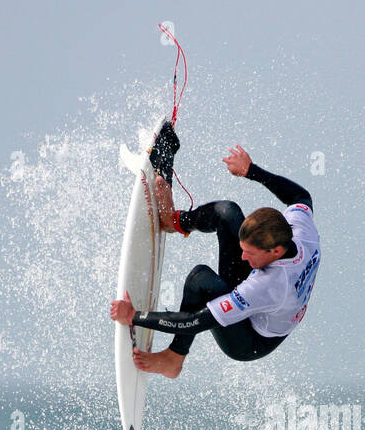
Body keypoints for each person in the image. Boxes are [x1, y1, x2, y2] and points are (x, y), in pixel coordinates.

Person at [110, 124, 321, 380]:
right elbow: (301, 196)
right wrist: (251, 171)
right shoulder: (301, 231)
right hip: (273, 304)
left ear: (276, 250)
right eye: (243, 250)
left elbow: (197, 321)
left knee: (201, 279)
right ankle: (172, 221)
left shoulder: (267, 285)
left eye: (250, 254)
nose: (242, 258)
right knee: (227, 212)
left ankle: (173, 359)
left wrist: (135, 316)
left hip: (251, 341)